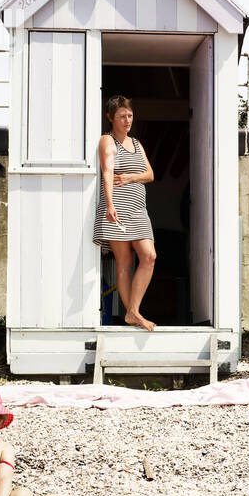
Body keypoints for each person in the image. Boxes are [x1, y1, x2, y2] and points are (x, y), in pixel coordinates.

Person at [93, 95, 158, 331]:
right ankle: (134, 313)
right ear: (111, 117)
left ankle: (132, 311)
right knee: (124, 262)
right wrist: (110, 205)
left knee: (149, 256)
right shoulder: (107, 141)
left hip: (139, 210)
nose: (127, 119)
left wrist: (131, 176)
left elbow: (149, 175)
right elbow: (108, 172)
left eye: (129, 115)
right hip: (118, 208)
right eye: (122, 116)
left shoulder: (137, 144)